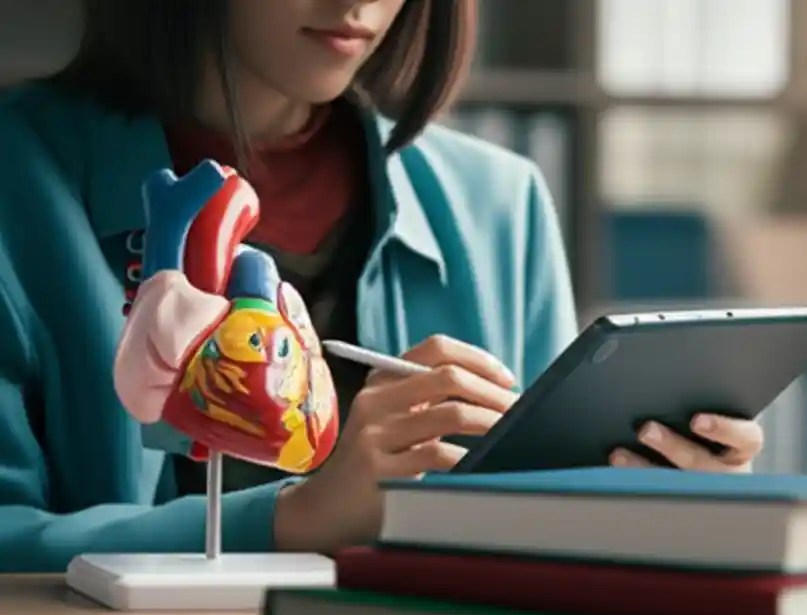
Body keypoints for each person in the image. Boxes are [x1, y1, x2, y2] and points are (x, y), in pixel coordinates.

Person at [0, 0, 765, 572]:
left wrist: (667, 501)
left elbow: (537, 549)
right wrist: (295, 519)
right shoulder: (19, 178)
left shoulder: (501, 203)